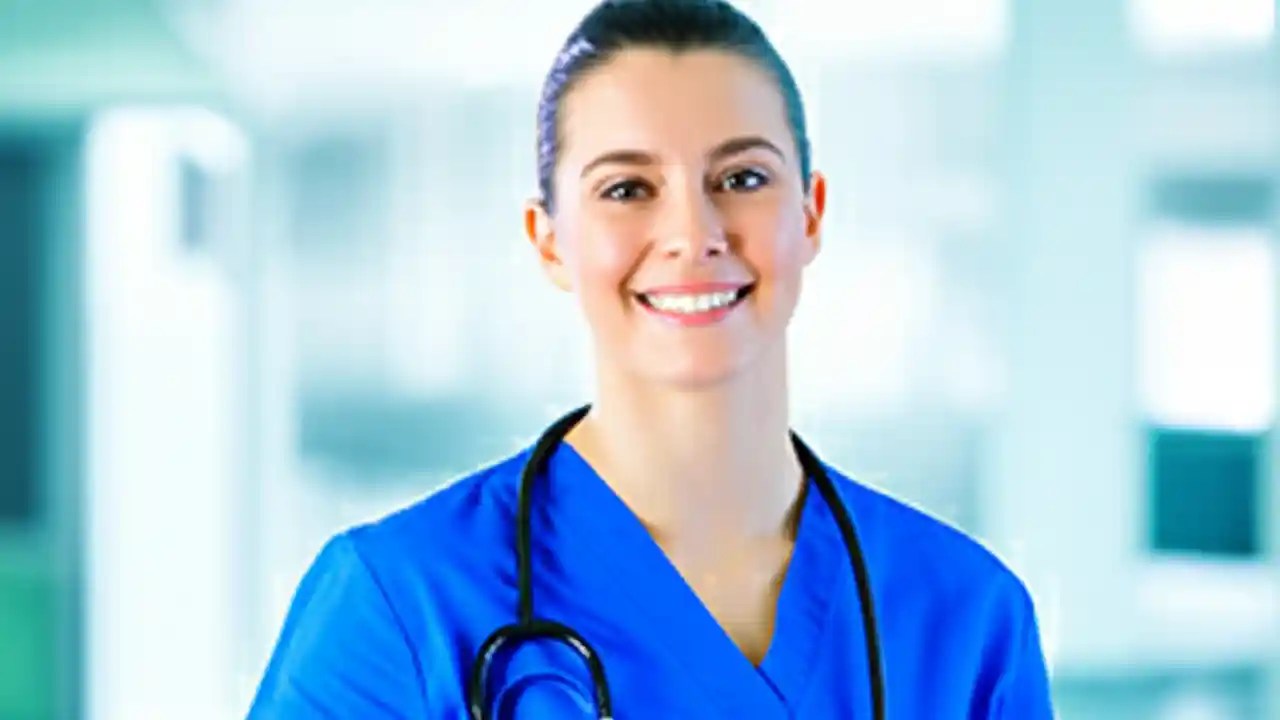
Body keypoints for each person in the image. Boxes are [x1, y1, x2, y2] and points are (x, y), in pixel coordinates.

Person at [247, 0, 1056, 717]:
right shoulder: (401, 605)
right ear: (549, 241)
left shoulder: (964, 617)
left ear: (810, 215)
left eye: (742, 177)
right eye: (627, 189)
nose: (693, 234)